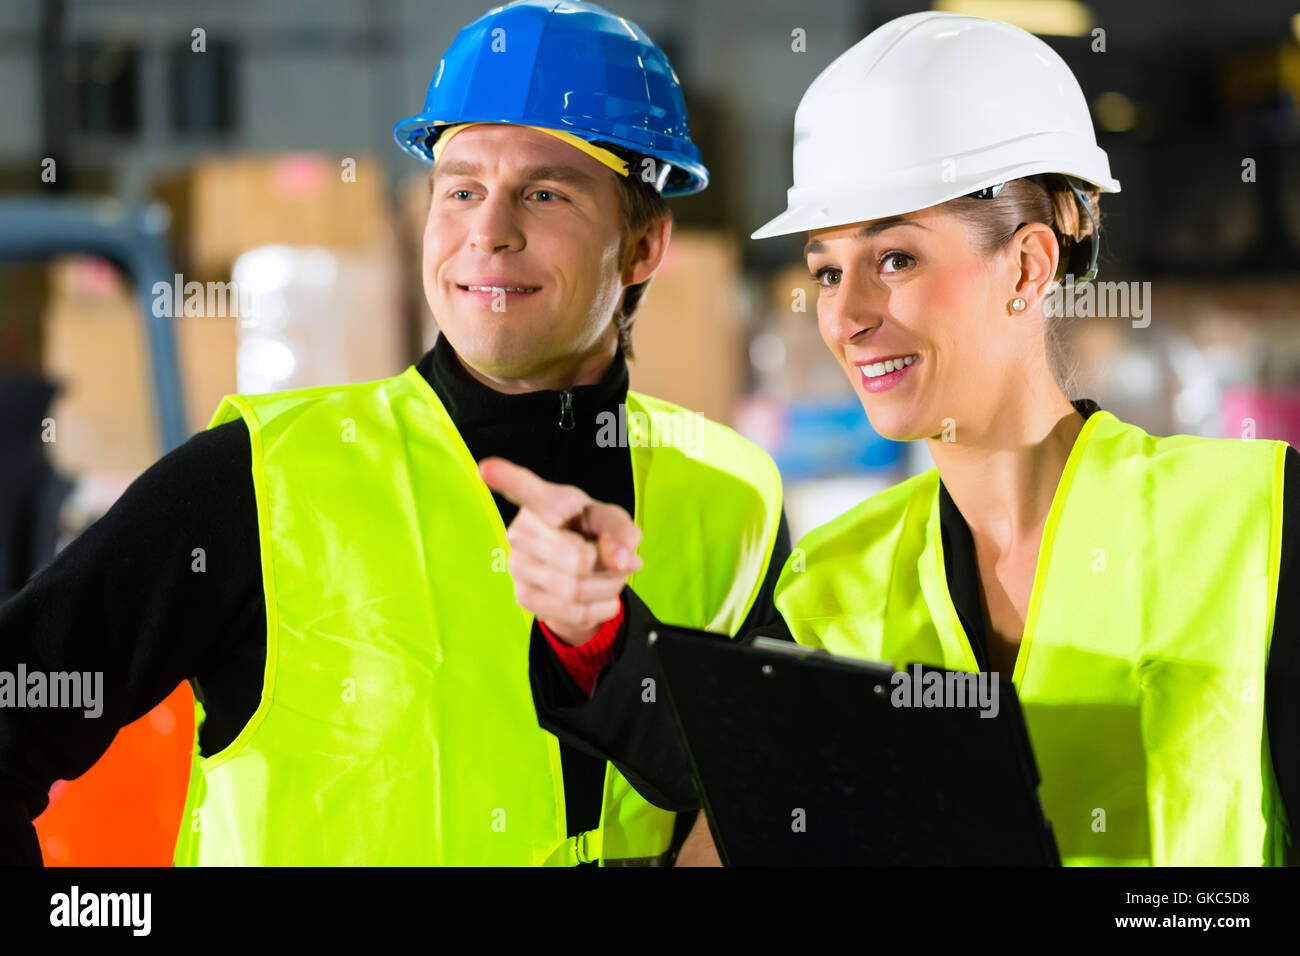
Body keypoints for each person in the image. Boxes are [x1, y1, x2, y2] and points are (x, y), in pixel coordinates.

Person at [0, 0, 790, 866]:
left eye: (545, 193)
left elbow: (773, 795)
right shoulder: (260, 481)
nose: (489, 233)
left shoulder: (734, 498)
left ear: (643, 248)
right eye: (461, 190)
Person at [515, 11, 1300, 866]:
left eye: (895, 259)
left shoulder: (1256, 517)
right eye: (824, 271)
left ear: (1030, 266)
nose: (846, 316)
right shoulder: (834, 583)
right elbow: (739, 826)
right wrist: (590, 626)